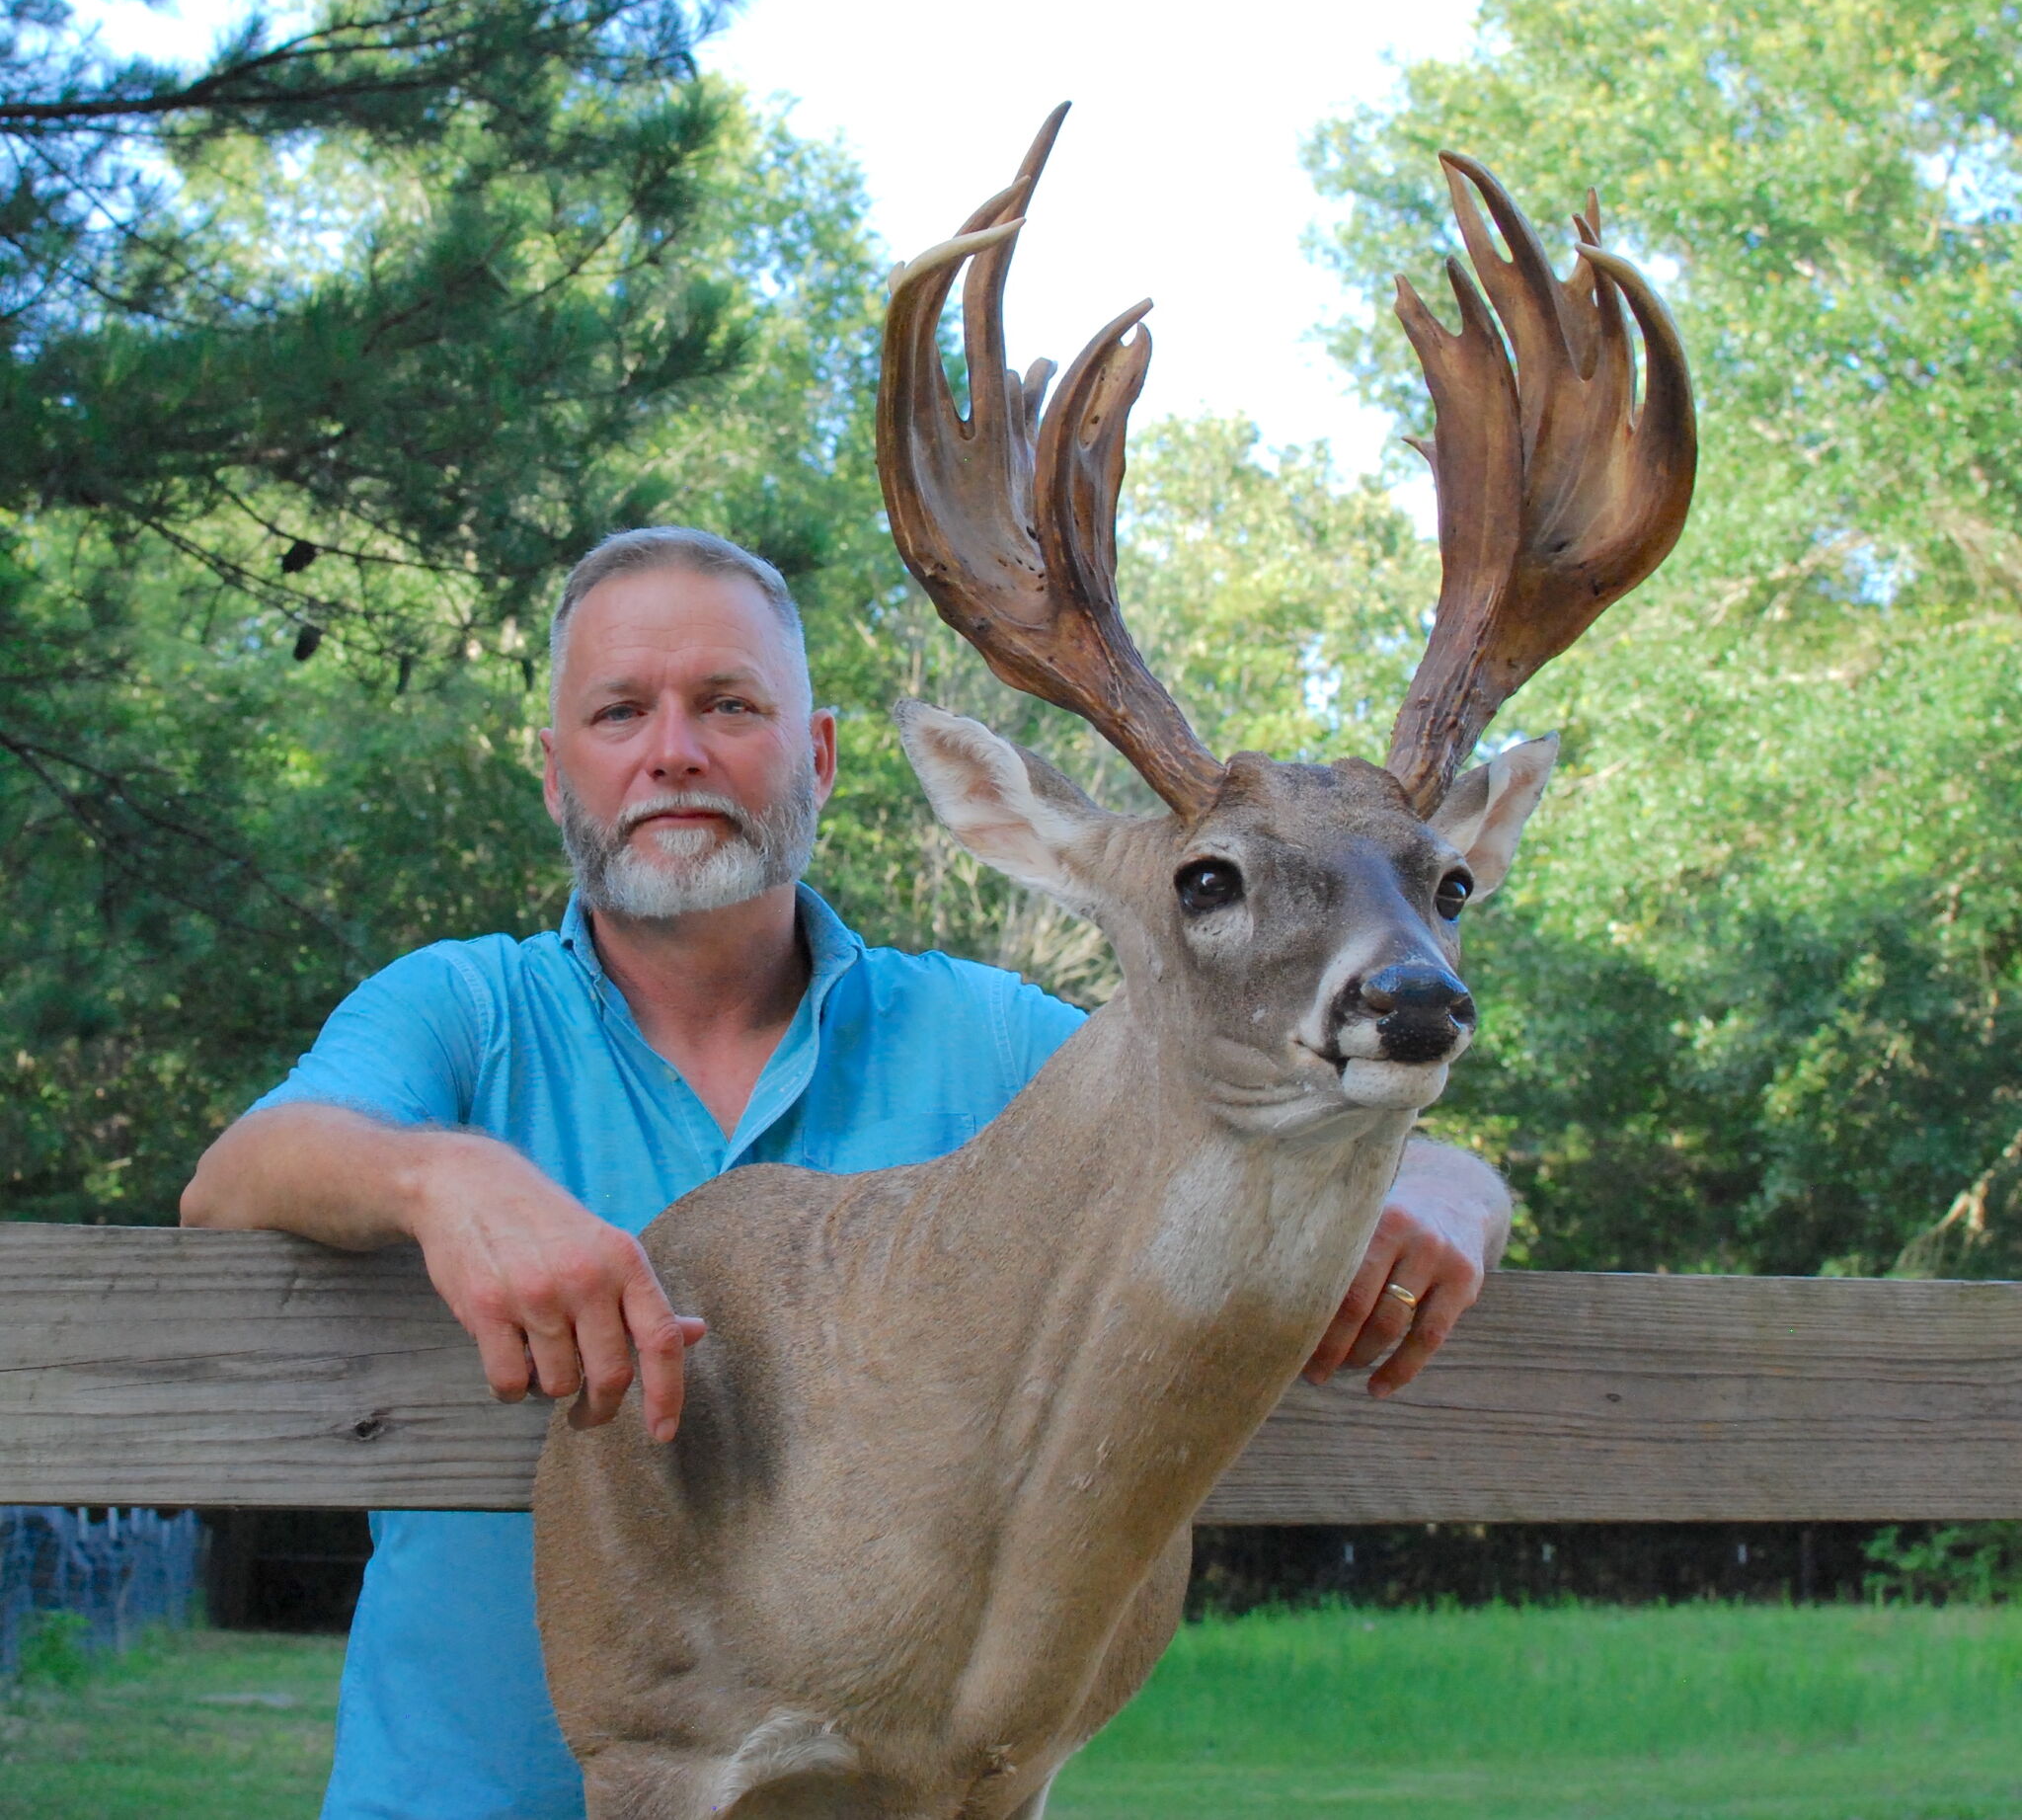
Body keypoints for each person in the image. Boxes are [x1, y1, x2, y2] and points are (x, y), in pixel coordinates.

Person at [182, 525, 1514, 1820]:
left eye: (727, 703)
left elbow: (1256, 1067)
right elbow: (237, 1178)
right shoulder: (465, 1011)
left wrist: (1459, 1184)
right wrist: (441, 1179)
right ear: (552, 771)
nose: (673, 751)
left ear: (816, 756)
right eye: (617, 713)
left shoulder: (984, 1036)